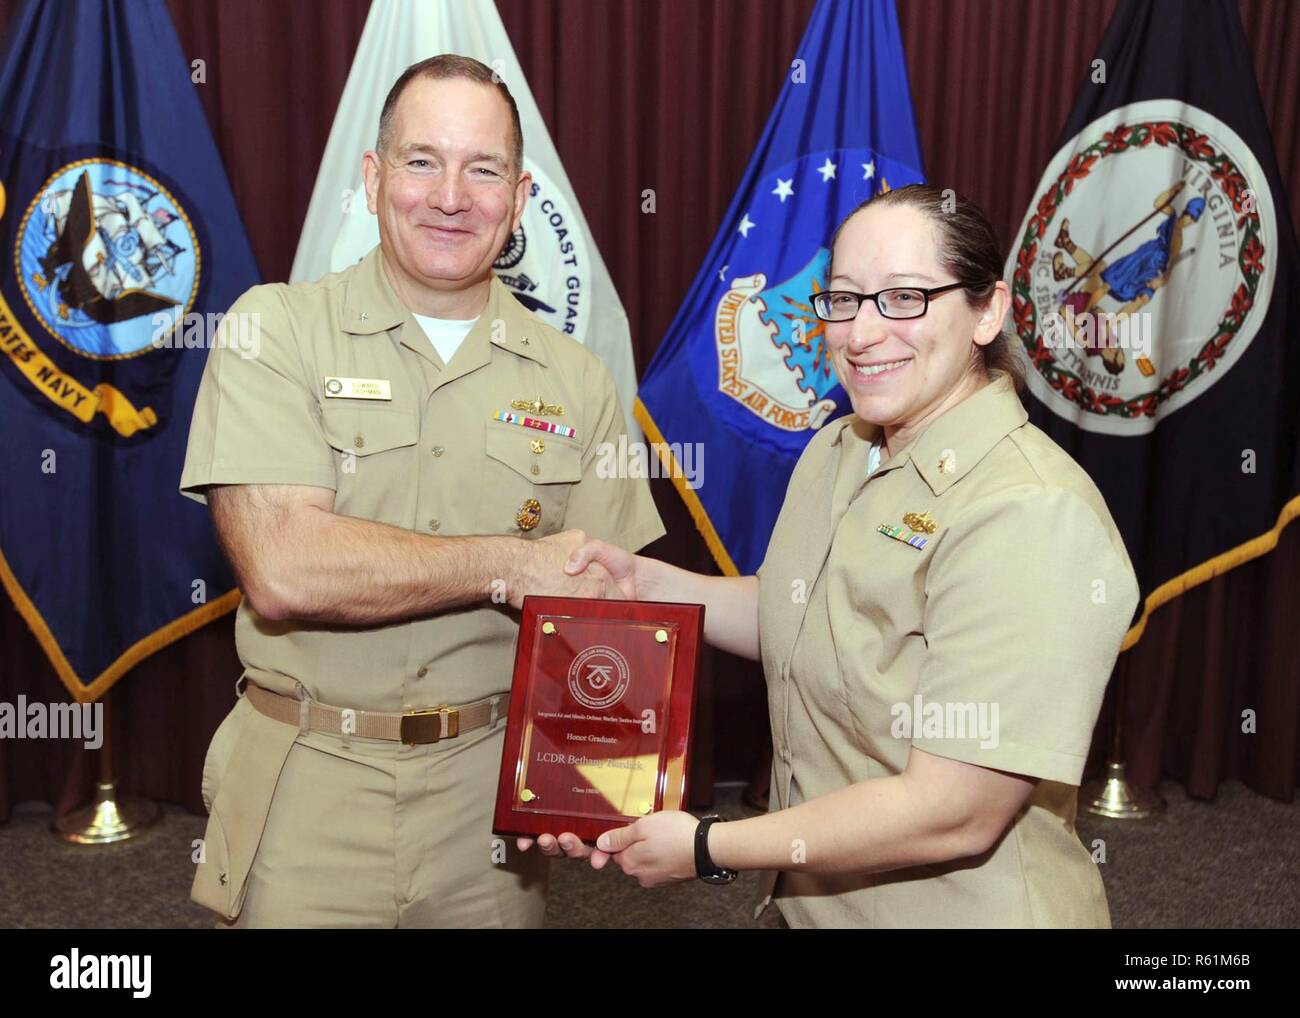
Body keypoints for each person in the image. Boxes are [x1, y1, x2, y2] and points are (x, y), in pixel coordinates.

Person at [551, 184, 1139, 928]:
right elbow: (801, 616)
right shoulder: (839, 448)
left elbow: (954, 812)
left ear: (988, 311)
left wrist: (709, 845)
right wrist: (649, 584)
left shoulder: (1029, 511)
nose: (861, 334)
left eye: (904, 298)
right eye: (844, 299)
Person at [179, 54, 664, 928]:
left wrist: (599, 786)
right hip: (308, 785)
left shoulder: (580, 380)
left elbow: (608, 608)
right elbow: (287, 569)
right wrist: (511, 565)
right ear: (373, 179)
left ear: (518, 200)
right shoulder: (271, 331)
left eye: (483, 169)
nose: (451, 196)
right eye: (421, 161)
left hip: (489, 805)